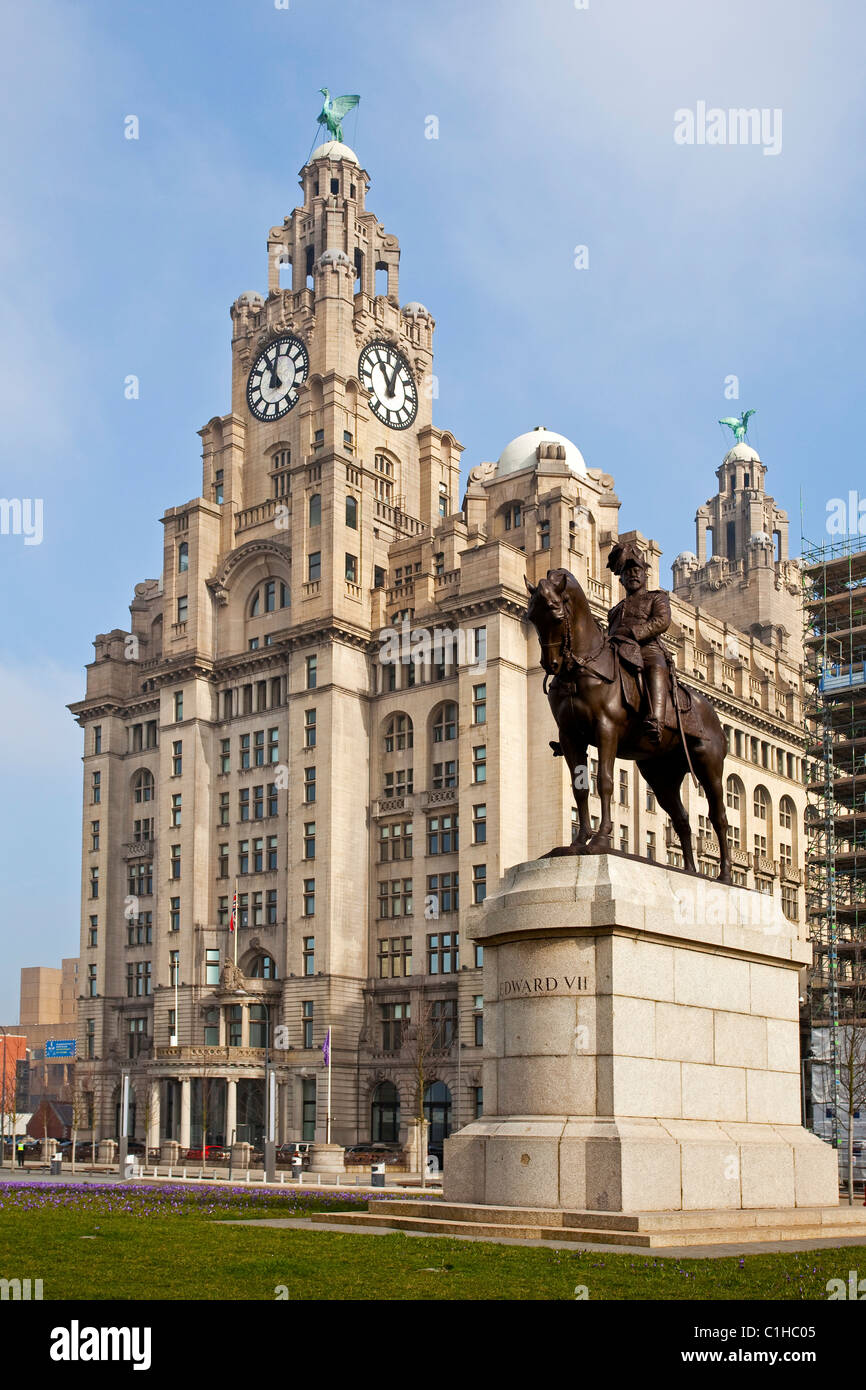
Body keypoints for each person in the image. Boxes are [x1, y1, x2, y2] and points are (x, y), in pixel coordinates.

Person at [606, 541, 671, 743]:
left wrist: (634, 632)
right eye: (627, 572)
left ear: (645, 574)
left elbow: (662, 621)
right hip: (618, 651)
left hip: (647, 649)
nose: (633, 574)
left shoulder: (657, 598)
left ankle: (656, 719)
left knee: (656, 667)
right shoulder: (615, 610)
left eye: (637, 570)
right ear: (621, 580)